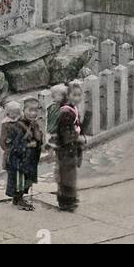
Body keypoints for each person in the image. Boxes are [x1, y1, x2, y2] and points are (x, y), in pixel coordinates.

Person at [0, 100, 43, 210]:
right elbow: (9, 143)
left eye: (35, 110)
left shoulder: (28, 122)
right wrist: (28, 145)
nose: (33, 113)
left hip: (27, 157)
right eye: (30, 110)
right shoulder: (9, 126)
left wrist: (37, 139)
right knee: (19, 179)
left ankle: (19, 198)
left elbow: (38, 138)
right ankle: (18, 198)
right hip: (17, 158)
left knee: (26, 178)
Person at [53, 82, 86, 212]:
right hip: (66, 148)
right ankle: (66, 201)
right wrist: (78, 138)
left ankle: (70, 197)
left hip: (72, 147)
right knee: (67, 174)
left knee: (70, 174)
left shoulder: (73, 109)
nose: (77, 98)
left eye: (79, 95)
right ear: (68, 95)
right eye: (74, 95)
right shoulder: (66, 112)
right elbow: (66, 132)